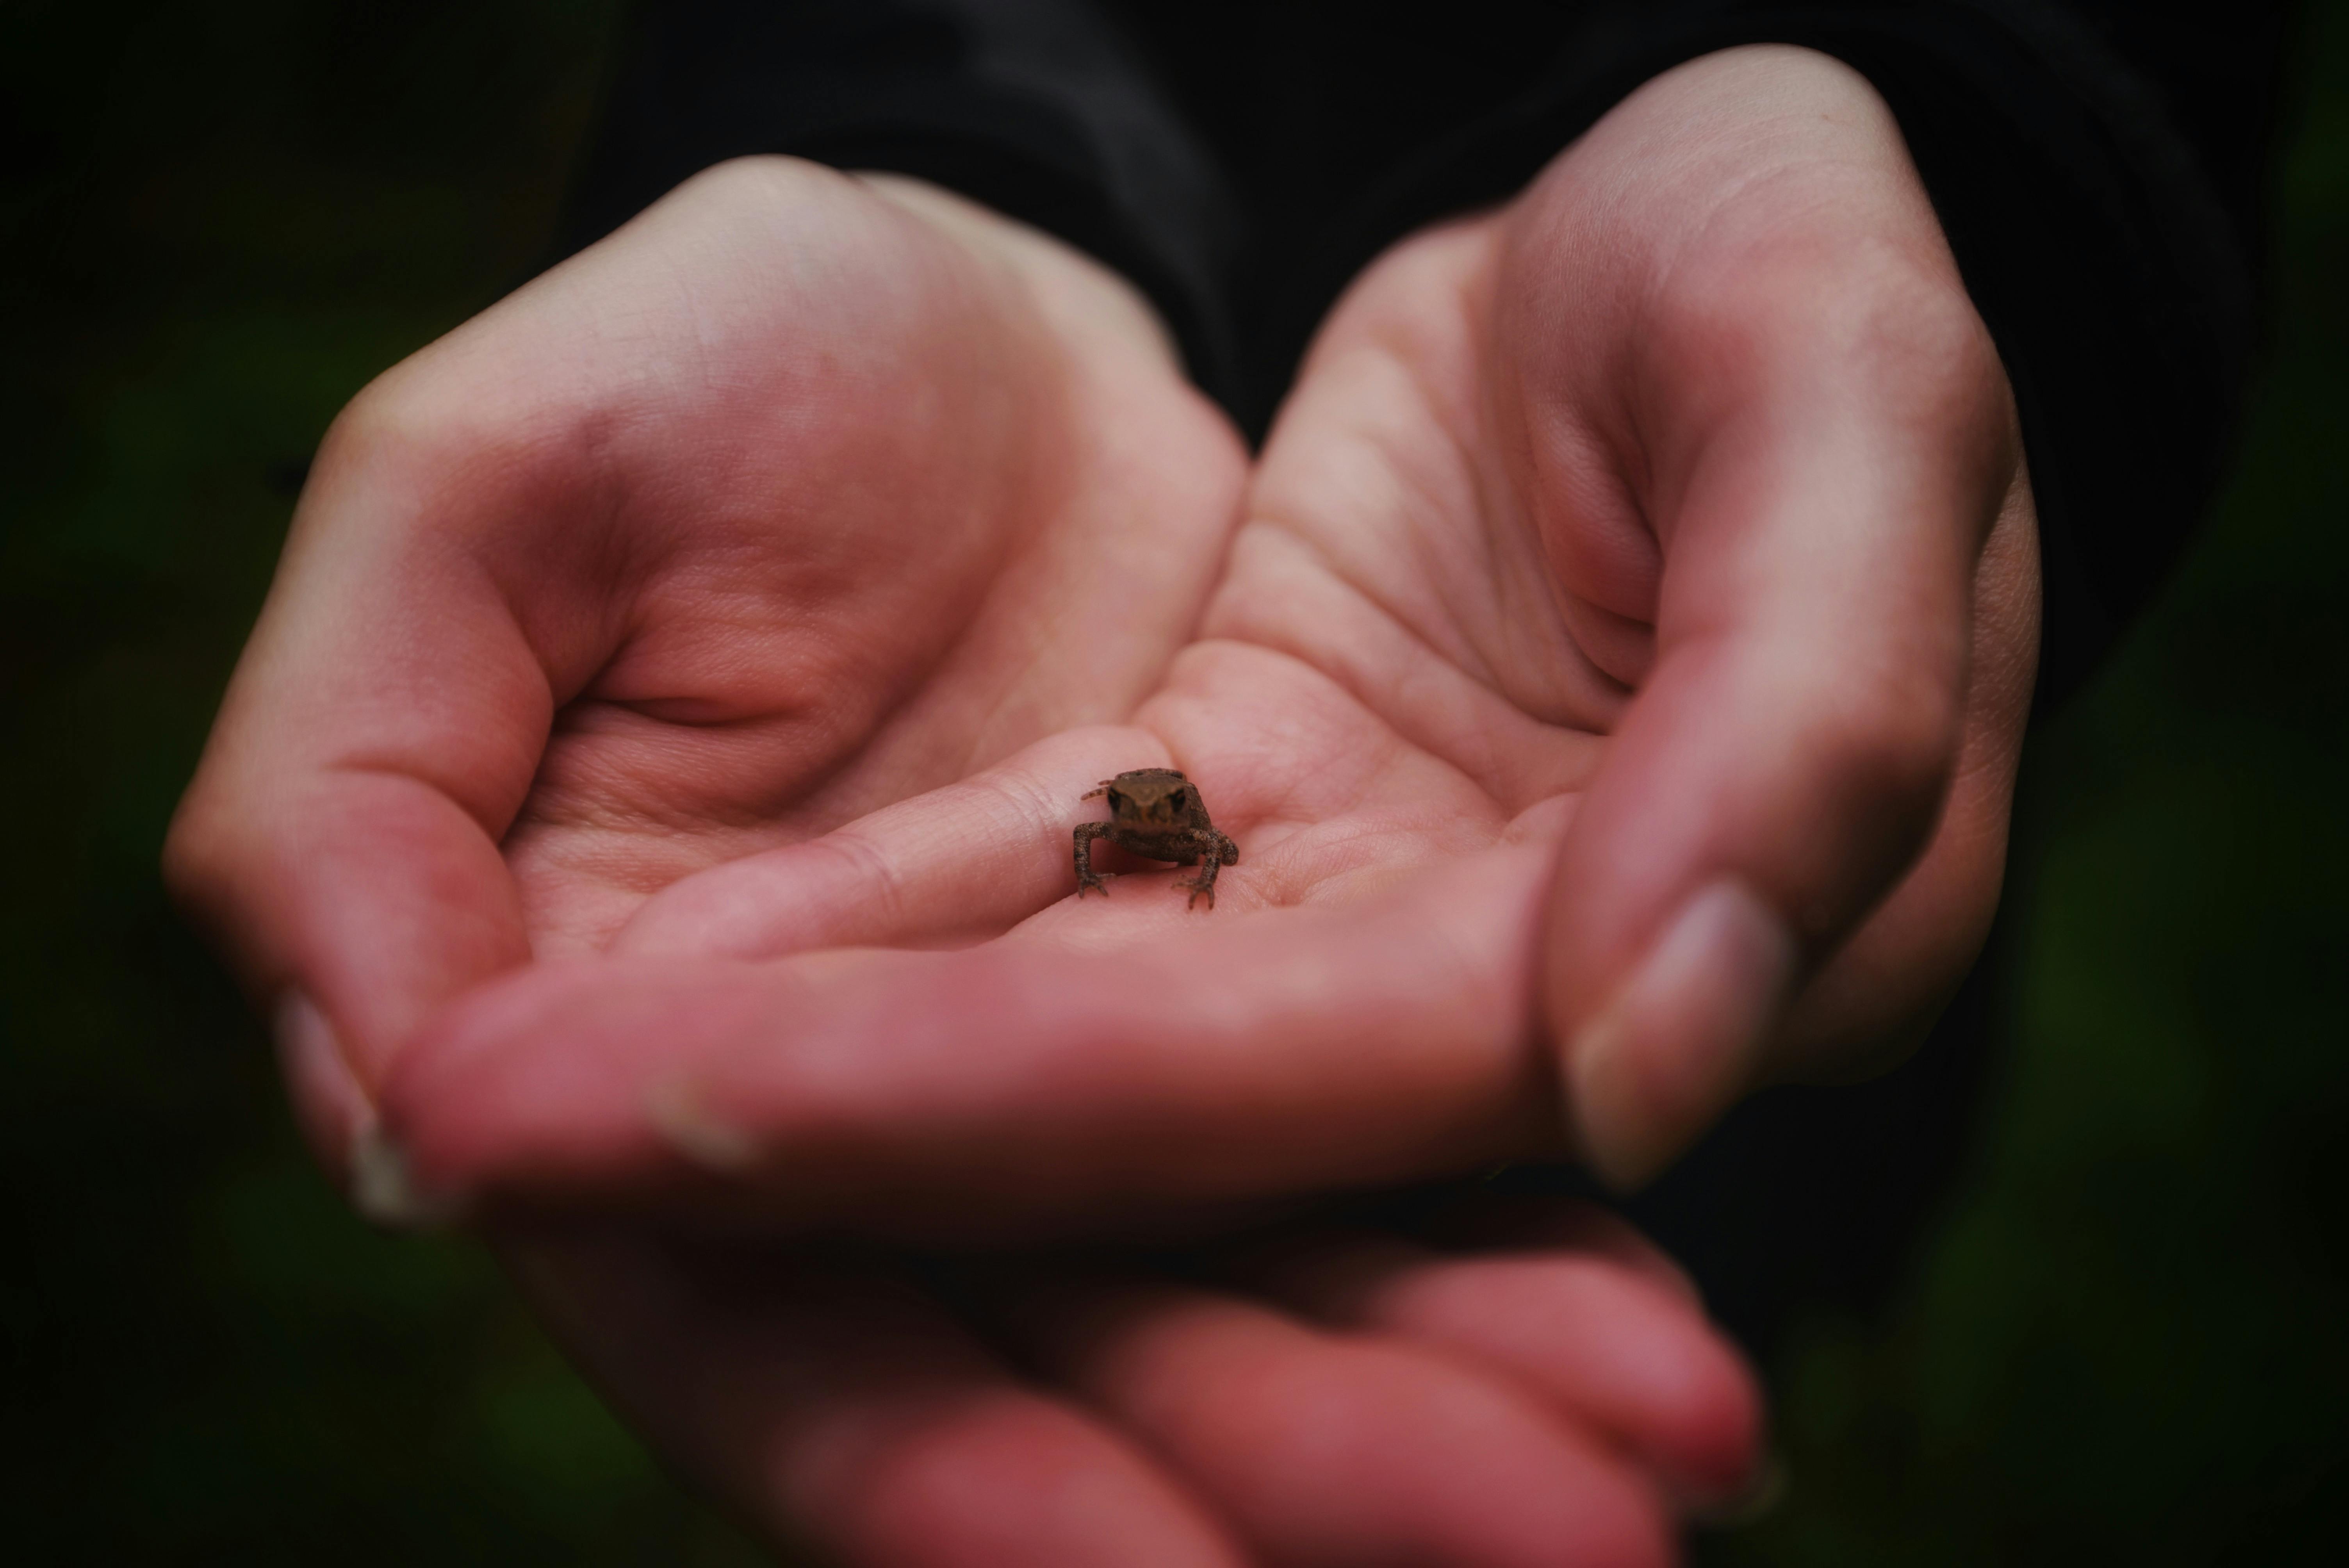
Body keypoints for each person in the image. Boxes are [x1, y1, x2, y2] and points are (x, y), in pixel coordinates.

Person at [164, 3, 2287, 1562]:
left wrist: (1967, 144)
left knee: (1651, 1201)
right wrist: (914, 140)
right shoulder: (1134, 809)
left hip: (1615, 840)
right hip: (1207, 595)